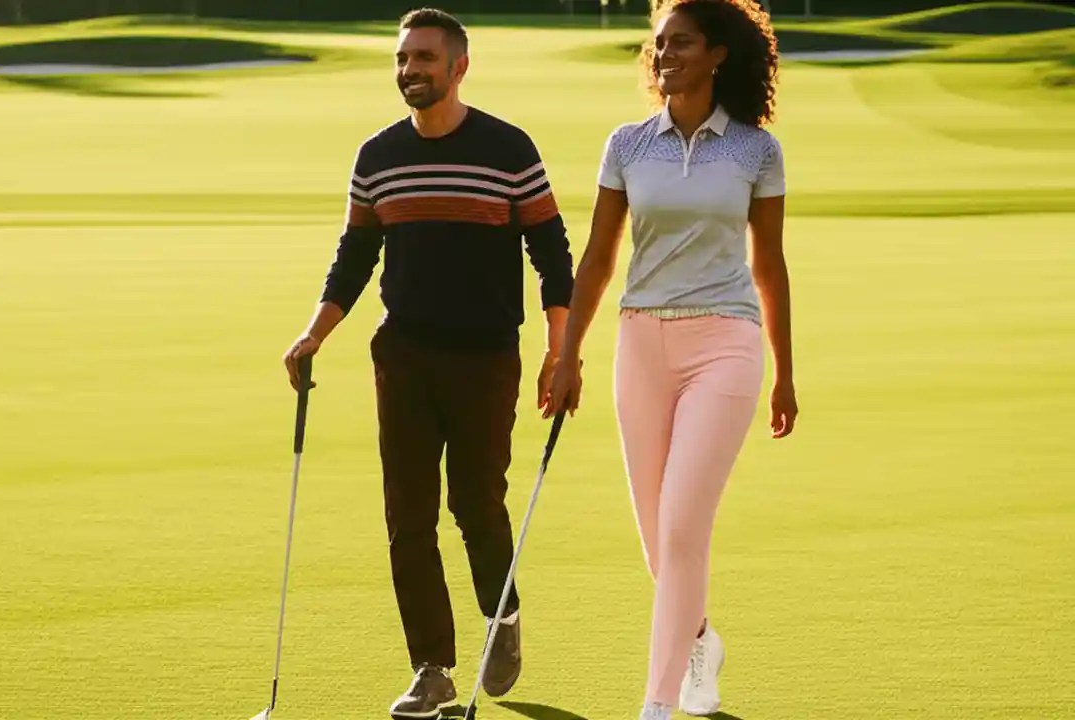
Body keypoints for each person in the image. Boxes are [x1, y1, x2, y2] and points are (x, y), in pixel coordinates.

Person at [281, 8, 574, 718]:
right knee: (407, 516)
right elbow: (355, 255)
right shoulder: (378, 156)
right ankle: (432, 668)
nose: (410, 70)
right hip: (404, 354)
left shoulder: (509, 149)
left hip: (485, 357)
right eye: (402, 59)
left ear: (459, 67)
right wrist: (314, 334)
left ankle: (501, 617)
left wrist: (559, 351)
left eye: (424, 59)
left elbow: (551, 253)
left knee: (476, 504)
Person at [544, 1, 798, 718]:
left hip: (726, 343)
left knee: (684, 526)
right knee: (659, 540)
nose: (665, 55)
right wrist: (568, 355)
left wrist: (784, 372)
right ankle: (700, 640)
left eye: (681, 43)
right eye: (659, 44)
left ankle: (657, 704)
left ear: (718, 54)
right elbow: (598, 257)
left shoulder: (755, 151)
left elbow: (769, 265)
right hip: (641, 344)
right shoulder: (627, 144)